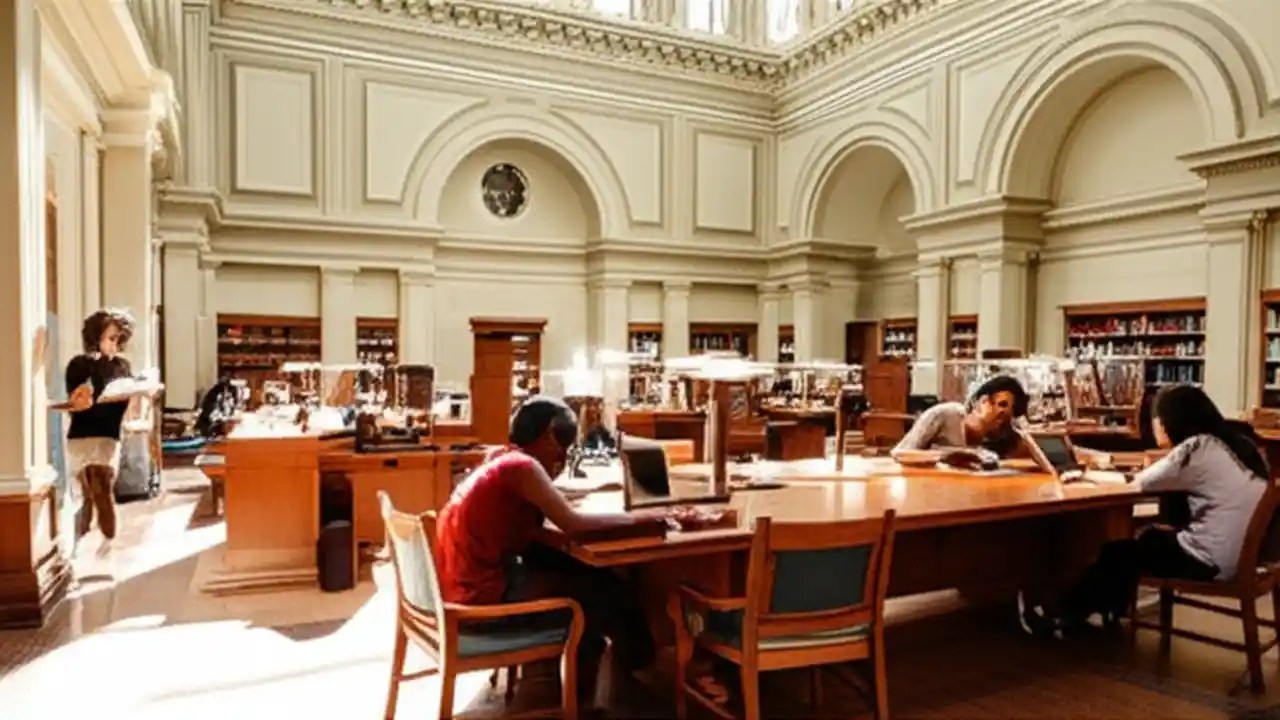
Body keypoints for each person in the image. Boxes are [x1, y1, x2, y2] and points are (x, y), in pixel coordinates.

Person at [435, 395, 666, 703]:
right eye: (563, 440)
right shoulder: (522, 466)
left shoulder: (500, 458)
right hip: (482, 598)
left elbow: (537, 519)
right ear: (547, 434)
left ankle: (613, 673)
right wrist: (643, 518)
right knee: (600, 595)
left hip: (464, 583)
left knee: (591, 575)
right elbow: (573, 524)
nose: (564, 451)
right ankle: (601, 690)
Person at [1021, 384, 1270, 636]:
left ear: (1169, 420)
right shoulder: (1240, 444)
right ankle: (1104, 614)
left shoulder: (1197, 448)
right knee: (1146, 541)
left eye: (1156, 419)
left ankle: (1062, 614)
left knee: (1117, 552)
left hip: (1209, 561)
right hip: (1242, 559)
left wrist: (1088, 474)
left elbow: (1141, 482)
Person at [64, 309, 137, 540]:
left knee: (103, 483)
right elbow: (75, 396)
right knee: (92, 481)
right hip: (83, 433)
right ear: (96, 337)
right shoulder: (79, 364)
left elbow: (127, 397)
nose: (116, 344)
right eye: (111, 338)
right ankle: (89, 505)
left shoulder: (122, 366)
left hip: (109, 434)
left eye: (119, 339)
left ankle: (98, 517)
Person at [891, 375, 1030, 459]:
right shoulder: (946, 415)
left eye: (1010, 410)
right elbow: (900, 453)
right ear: (982, 401)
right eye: (1001, 405)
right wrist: (944, 456)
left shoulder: (998, 439)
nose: (1003, 414)